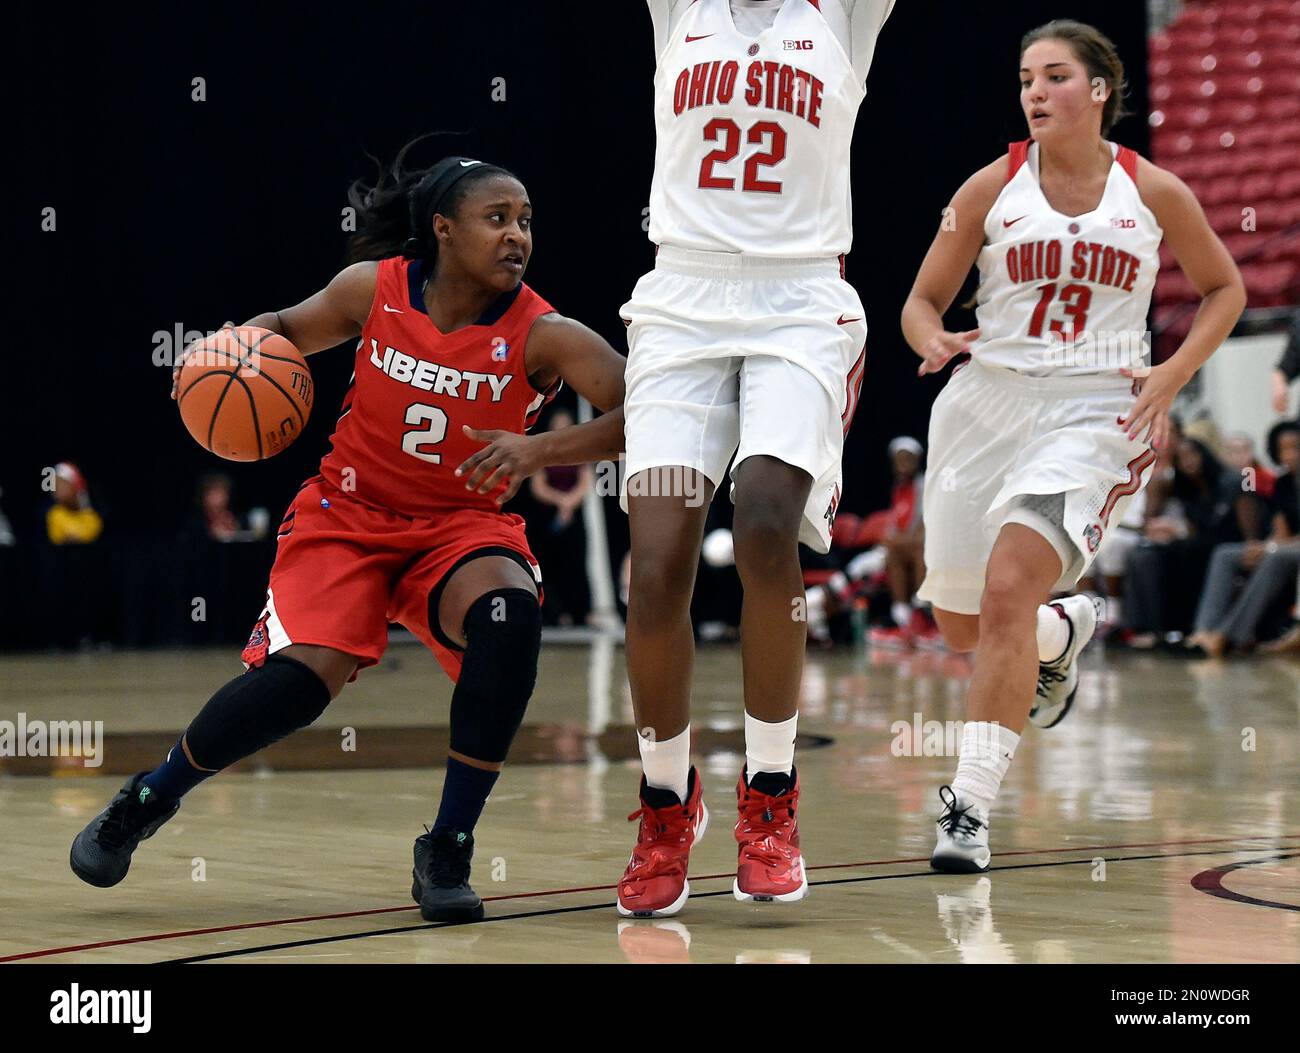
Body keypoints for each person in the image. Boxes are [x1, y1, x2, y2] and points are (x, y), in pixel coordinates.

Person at [69, 143, 629, 923]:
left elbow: (644, 413)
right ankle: (149, 796)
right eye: (497, 218)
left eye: (526, 222)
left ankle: (448, 845)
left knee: (510, 617)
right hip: (348, 517)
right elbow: (282, 329)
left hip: (459, 528)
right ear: (441, 228)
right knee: (299, 684)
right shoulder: (374, 288)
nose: (517, 236)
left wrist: (540, 449)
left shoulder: (546, 334)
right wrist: (225, 350)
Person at [901, 20, 1245, 872]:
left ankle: (968, 809)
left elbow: (1224, 289)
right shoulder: (991, 185)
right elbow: (920, 302)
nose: (1034, 92)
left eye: (1055, 76)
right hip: (986, 406)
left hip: (1096, 408)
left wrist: (1171, 373)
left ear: (1099, 91)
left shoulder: (1155, 191)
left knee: (1011, 581)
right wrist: (935, 338)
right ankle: (1062, 632)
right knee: (960, 624)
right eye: (1025, 78)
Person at [615, 0, 895, 916]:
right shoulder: (680, 13)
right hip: (682, 299)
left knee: (768, 522)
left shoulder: (841, 16)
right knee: (656, 570)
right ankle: (667, 802)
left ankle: (770, 798)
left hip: (801, 304)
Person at [1186, 424, 1300, 657]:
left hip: (1286, 550)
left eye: (1295, 448)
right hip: (1285, 545)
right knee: (1225, 553)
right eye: (1283, 449)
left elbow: (1251, 506)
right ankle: (1204, 630)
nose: (1289, 455)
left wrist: (1268, 546)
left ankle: (1228, 636)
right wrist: (1263, 545)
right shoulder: (1283, 483)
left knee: (1273, 556)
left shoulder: (1254, 477)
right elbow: (1281, 529)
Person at [526, 408, 595, 626]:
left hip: (573, 514)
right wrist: (560, 501)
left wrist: (569, 503)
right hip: (547, 514)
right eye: (558, 425)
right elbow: (538, 486)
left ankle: (581, 612)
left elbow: (586, 481)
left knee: (576, 563)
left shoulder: (579, 452)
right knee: (548, 564)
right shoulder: (543, 452)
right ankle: (553, 613)